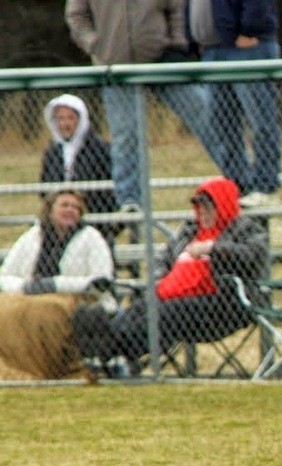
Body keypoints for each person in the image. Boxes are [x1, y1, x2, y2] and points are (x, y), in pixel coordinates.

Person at [73, 176, 267, 371]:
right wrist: (160, 282)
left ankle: (106, 353)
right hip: (177, 299)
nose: (203, 213)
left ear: (223, 205)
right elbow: (164, 261)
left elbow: (254, 256)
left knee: (163, 313)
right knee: (140, 308)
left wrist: (213, 248)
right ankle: (104, 346)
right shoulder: (190, 231)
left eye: (209, 208)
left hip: (223, 305)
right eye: (200, 208)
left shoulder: (246, 229)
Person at [65, 0, 227, 212]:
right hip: (115, 66)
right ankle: (130, 200)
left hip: (162, 60)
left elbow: (177, 8)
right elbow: (77, 16)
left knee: (205, 114)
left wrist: (176, 43)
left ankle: (239, 179)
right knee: (126, 135)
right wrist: (95, 44)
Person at [0, 190, 114, 379]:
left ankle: (46, 368)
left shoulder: (91, 237)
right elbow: (5, 275)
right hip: (28, 297)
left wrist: (54, 285)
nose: (71, 210)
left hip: (75, 299)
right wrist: (25, 287)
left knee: (46, 311)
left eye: (76, 207)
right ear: (50, 209)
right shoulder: (33, 236)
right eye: (64, 205)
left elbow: (101, 280)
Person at [186, 0, 282, 208]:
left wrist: (249, 30)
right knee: (222, 124)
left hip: (247, 47)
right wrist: (194, 40)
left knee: (260, 119)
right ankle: (237, 186)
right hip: (213, 50)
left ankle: (265, 186)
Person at [39, 93, 118, 242]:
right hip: (58, 224)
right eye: (61, 119)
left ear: (80, 120)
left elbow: (108, 193)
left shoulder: (99, 149)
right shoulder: (53, 151)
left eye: (70, 118)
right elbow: (44, 187)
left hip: (95, 220)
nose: (65, 124)